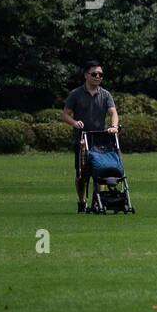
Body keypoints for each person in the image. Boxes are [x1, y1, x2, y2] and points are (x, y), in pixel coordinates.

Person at [63, 61, 119, 211]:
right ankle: (82, 202)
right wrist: (74, 123)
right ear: (86, 75)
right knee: (81, 174)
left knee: (100, 171)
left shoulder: (105, 94)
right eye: (94, 74)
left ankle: (97, 202)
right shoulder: (75, 94)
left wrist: (113, 126)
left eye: (100, 74)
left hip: (100, 139)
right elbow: (66, 115)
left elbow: (113, 112)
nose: (98, 77)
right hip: (82, 138)